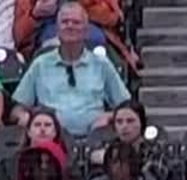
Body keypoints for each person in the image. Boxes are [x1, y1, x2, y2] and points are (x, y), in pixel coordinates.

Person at [9, 2, 129, 137]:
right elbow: (17, 109)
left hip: (94, 139)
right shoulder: (40, 64)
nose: (70, 26)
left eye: (76, 22)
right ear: (57, 29)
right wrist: (25, 118)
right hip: (51, 141)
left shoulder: (102, 64)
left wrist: (109, 117)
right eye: (65, 22)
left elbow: (126, 107)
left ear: (86, 30)